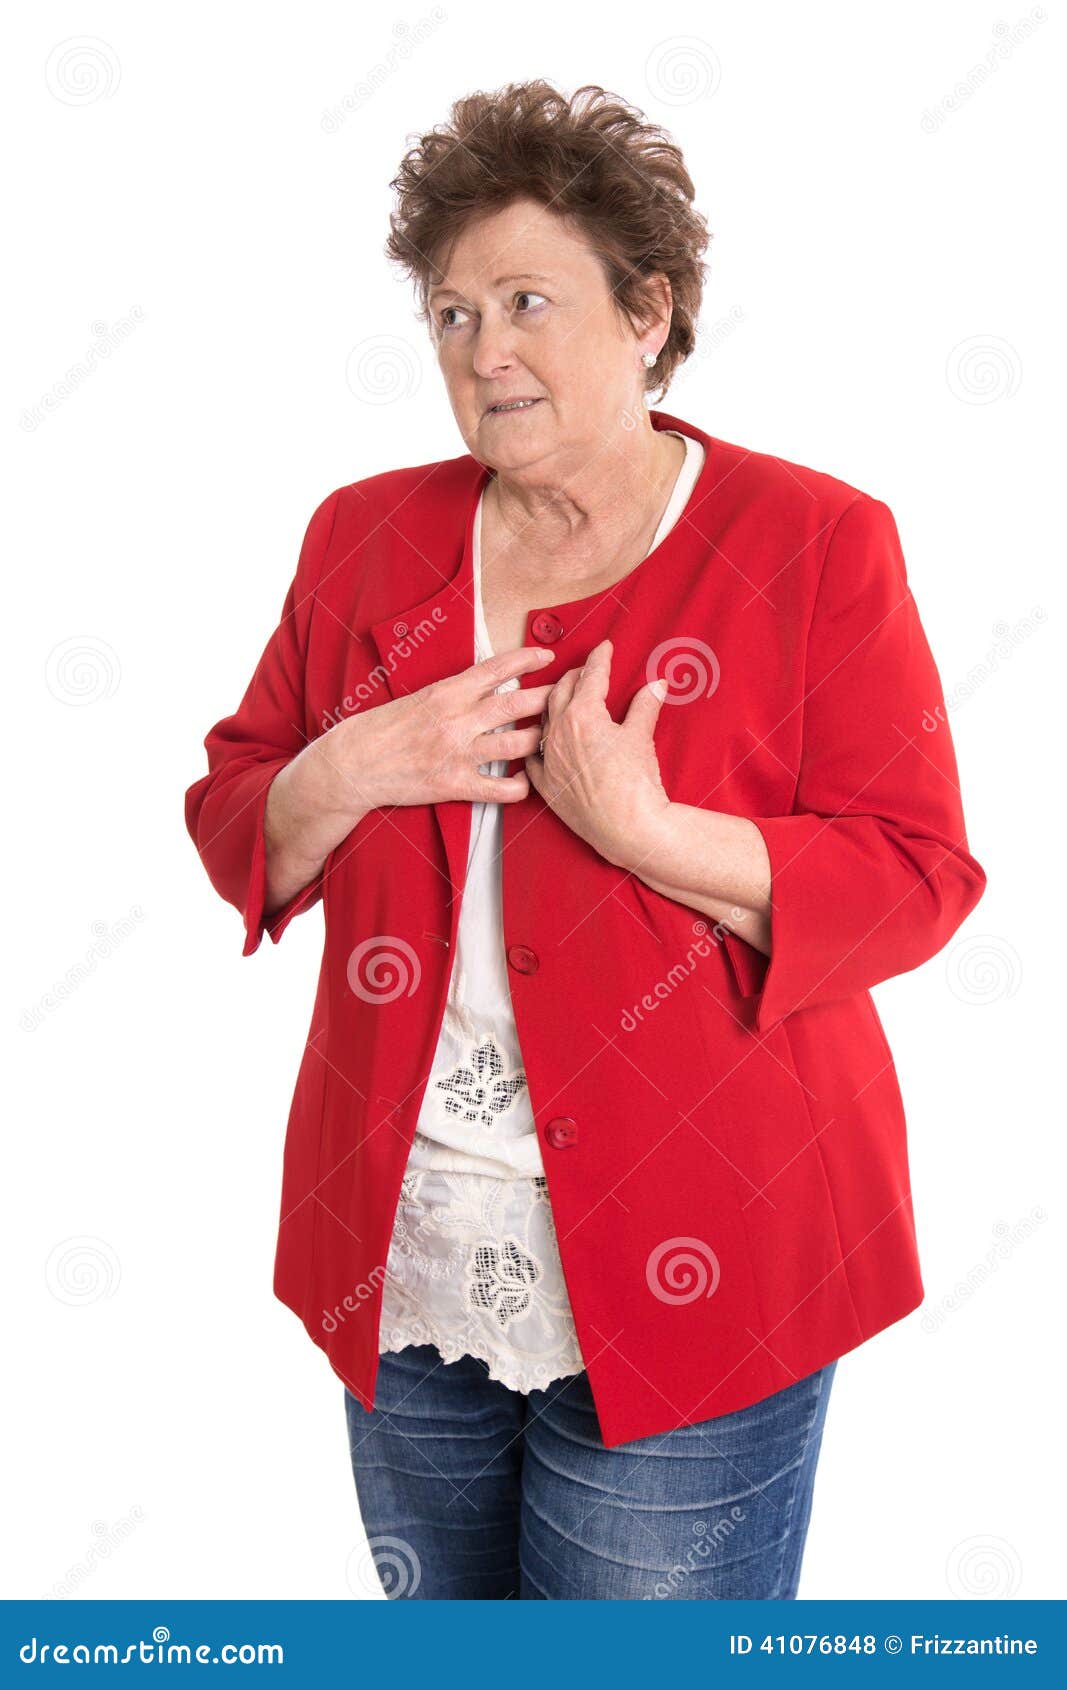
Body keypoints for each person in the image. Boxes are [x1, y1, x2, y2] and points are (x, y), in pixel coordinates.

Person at [184, 80, 987, 1599]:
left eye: (529, 300)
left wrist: (652, 830)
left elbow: (917, 873)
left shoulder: (816, 544)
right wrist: (358, 758)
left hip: (705, 1261)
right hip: (407, 1255)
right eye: (451, 313)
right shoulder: (363, 534)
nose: (484, 351)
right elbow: (240, 822)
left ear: (648, 312)